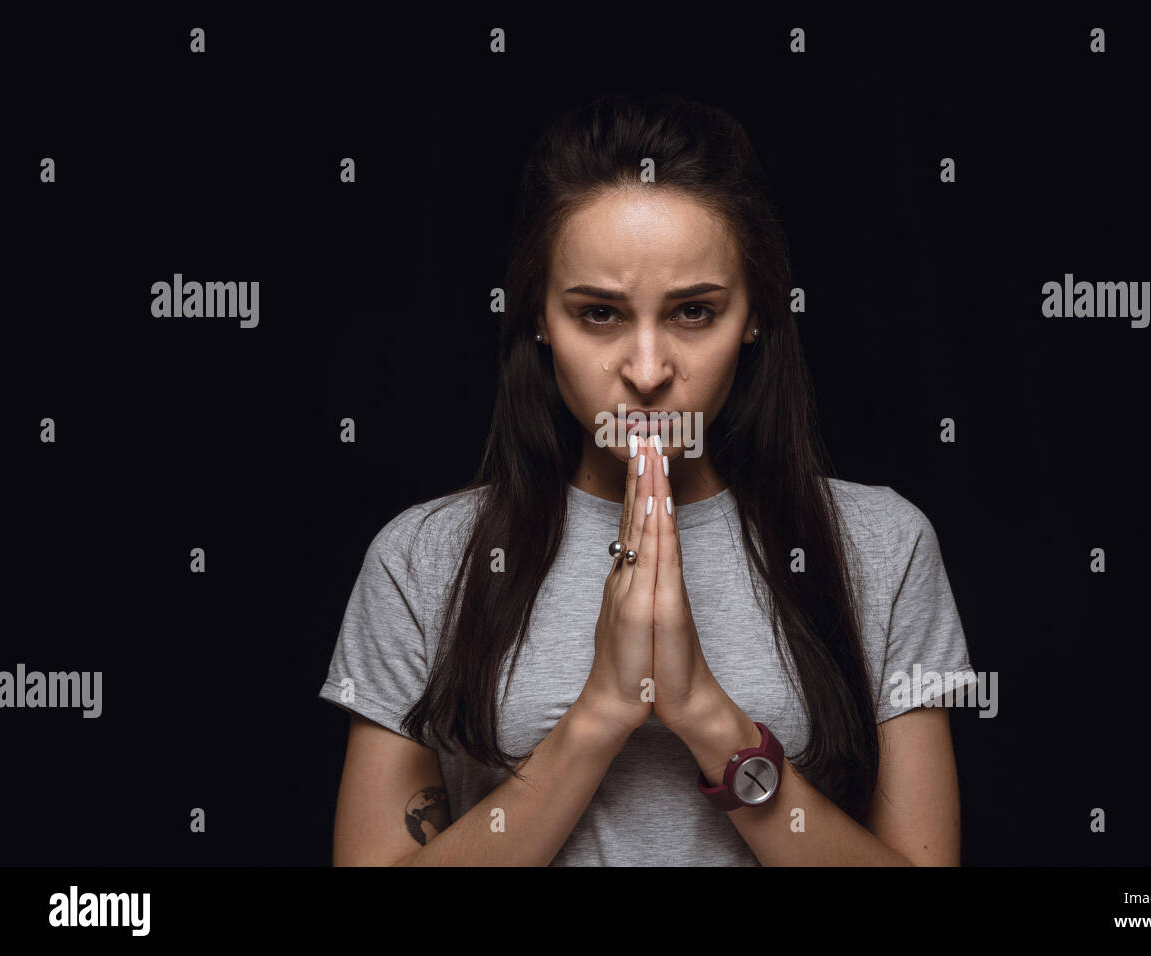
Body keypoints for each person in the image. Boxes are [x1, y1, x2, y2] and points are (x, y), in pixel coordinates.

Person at [318, 92, 975, 866]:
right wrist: (599, 715)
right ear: (537, 317)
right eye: (598, 314)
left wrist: (704, 714)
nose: (648, 370)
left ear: (756, 315)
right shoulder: (423, 559)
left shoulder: (881, 545)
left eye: (694, 312)